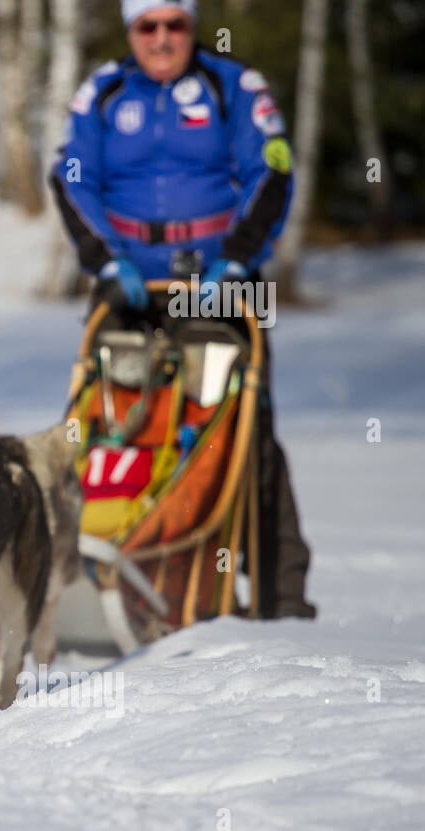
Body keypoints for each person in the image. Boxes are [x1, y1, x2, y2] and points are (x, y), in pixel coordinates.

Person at [49, 0, 316, 619]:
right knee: (108, 425)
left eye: (175, 24)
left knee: (243, 431)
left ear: (192, 27)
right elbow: (69, 175)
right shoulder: (106, 91)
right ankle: (91, 574)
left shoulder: (233, 86)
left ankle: (278, 597)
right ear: (130, 30)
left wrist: (239, 259)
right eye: (148, 25)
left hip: (225, 286)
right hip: (127, 285)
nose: (162, 38)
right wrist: (104, 259)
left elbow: (272, 170)